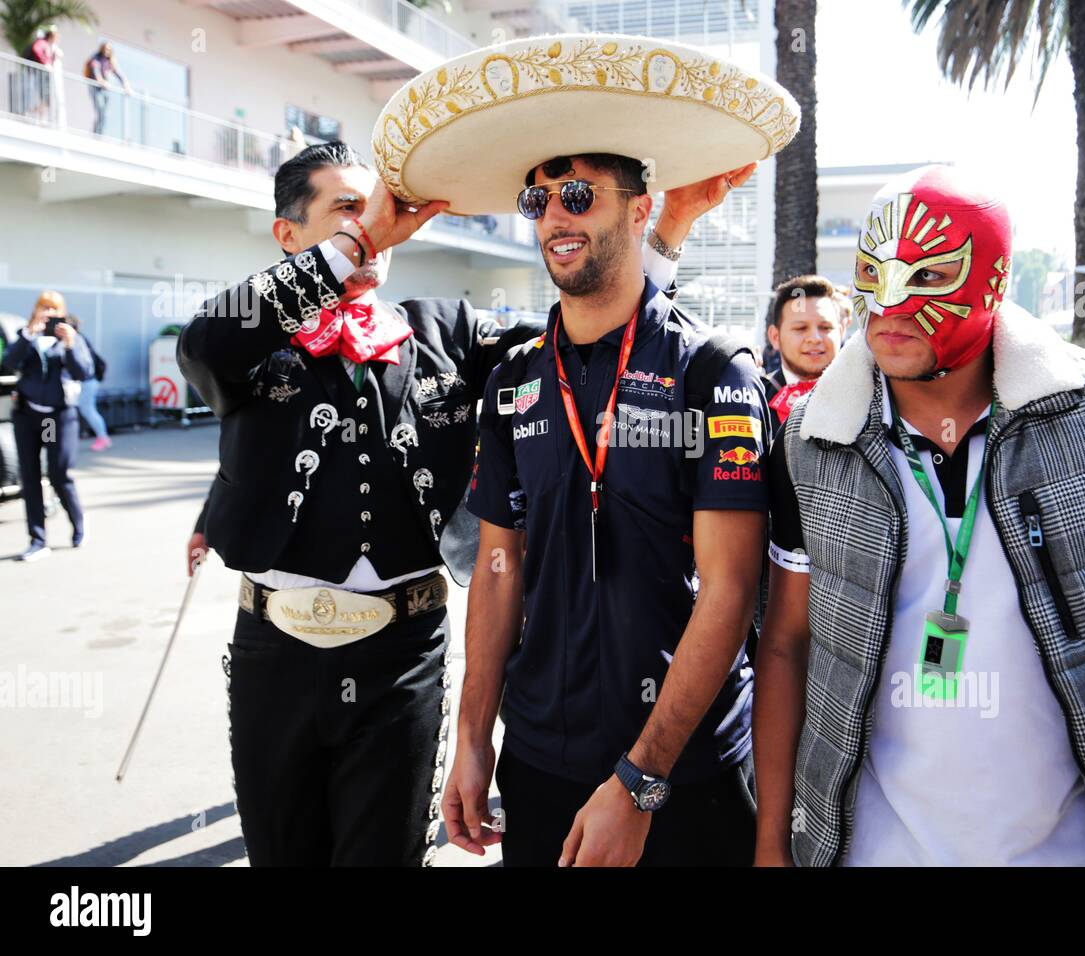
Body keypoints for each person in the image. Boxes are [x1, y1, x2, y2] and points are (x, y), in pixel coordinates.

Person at [176, 141, 718, 866]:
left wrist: (665, 235)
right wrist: (362, 238)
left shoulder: (443, 331)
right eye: (348, 208)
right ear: (289, 235)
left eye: (378, 206)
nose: (372, 222)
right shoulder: (251, 341)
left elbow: (586, 332)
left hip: (403, 653)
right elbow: (205, 342)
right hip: (275, 653)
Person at [753, 164, 1085, 867]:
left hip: (1079, 847)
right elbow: (787, 644)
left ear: (992, 280)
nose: (889, 303)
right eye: (874, 270)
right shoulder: (811, 439)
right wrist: (773, 841)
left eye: (928, 277)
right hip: (871, 846)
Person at [443, 152, 768, 868]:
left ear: (641, 208)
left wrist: (641, 781)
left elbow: (731, 589)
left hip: (685, 774)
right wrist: (471, 740)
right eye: (538, 201)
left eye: (580, 195)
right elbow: (497, 569)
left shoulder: (715, 371)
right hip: (539, 762)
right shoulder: (513, 379)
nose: (556, 214)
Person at [1, 290, 93, 561]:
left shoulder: (70, 338)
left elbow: (83, 372)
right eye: (44, 308)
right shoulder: (26, 335)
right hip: (28, 415)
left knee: (57, 474)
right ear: (36, 309)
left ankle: (78, 522)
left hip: (54, 418)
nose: (49, 314)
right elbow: (9, 362)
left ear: (62, 312)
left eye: (54, 309)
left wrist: (70, 344)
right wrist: (29, 333)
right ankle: (37, 540)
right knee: (29, 477)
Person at [762, 274, 844, 424]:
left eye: (825, 327)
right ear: (775, 337)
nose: (815, 338)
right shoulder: (755, 400)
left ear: (841, 332)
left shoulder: (869, 396)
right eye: (800, 328)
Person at [66, 316, 111, 451]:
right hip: (84, 381)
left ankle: (103, 437)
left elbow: (84, 366)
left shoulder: (76, 339)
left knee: (87, 409)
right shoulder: (78, 338)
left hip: (86, 381)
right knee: (83, 409)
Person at [85, 42, 131, 136]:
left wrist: (125, 84)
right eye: (105, 49)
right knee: (100, 112)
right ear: (102, 49)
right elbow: (96, 71)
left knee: (104, 114)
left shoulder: (109, 61)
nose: (107, 51)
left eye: (109, 50)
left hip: (105, 90)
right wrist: (101, 81)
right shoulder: (96, 58)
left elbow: (118, 73)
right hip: (96, 88)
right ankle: (96, 134)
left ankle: (100, 134)